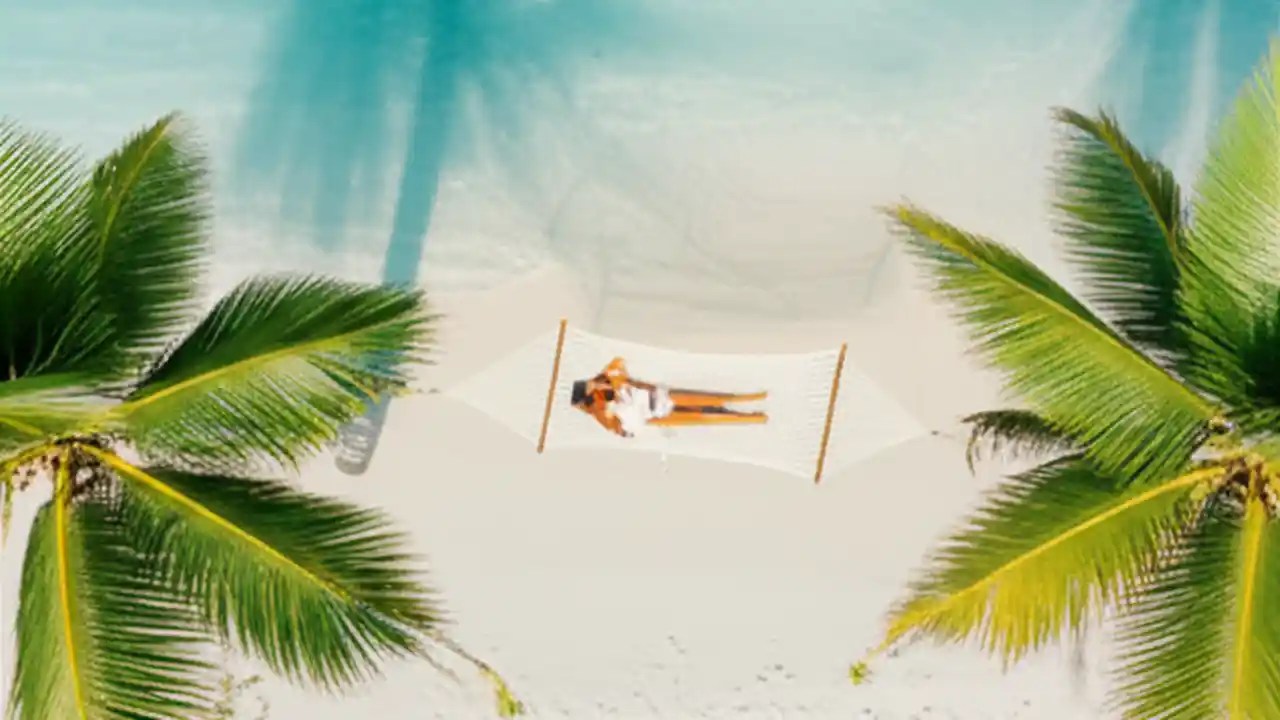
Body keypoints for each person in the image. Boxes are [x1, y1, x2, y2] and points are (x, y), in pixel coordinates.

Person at [569, 357, 768, 438]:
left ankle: (747, 399)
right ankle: (753, 417)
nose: (595, 395)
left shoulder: (609, 379)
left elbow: (618, 364)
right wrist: (614, 413)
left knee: (709, 400)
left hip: (658, 397)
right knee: (706, 416)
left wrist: (608, 383)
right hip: (654, 415)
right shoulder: (600, 413)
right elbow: (623, 431)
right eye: (590, 395)